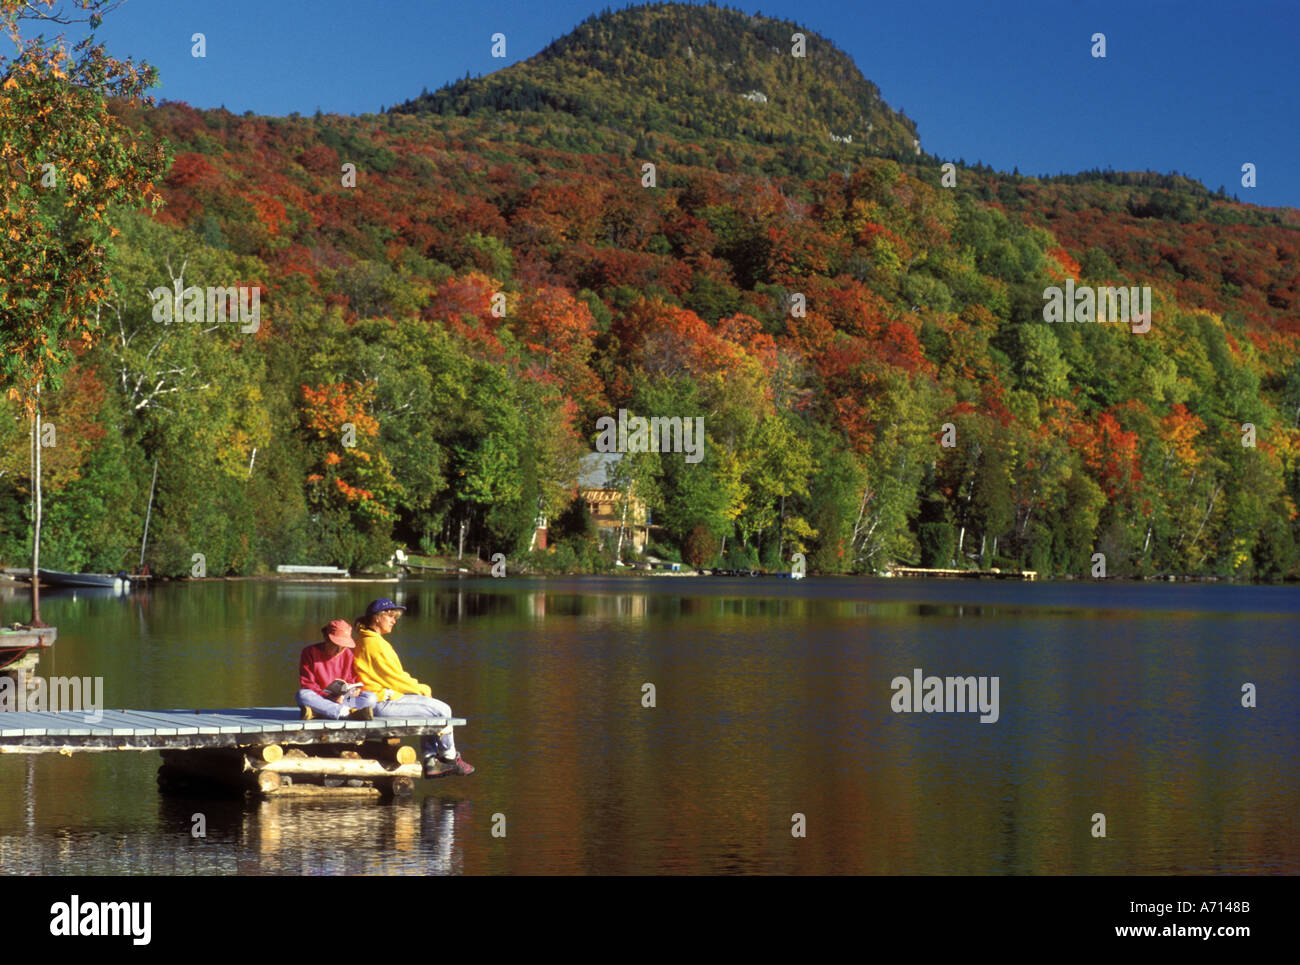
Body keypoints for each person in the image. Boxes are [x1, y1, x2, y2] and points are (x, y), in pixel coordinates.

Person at [352, 598, 474, 778]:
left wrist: (419, 688)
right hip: (380, 702)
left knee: (434, 709)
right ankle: (448, 759)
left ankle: (432, 761)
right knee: (441, 710)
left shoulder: (369, 640)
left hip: (386, 697)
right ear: (377, 618)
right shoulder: (374, 644)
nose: (394, 620)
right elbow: (394, 678)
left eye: (395, 617)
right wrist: (421, 688)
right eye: (391, 616)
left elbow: (394, 676)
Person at [297, 619, 378, 721]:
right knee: (302, 695)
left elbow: (352, 681)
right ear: (326, 638)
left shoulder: (348, 654)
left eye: (343, 647)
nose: (339, 650)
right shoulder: (309, 652)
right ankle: (347, 713)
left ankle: (318, 712)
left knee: (371, 698)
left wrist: (352, 692)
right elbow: (308, 684)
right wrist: (329, 697)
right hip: (321, 698)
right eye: (336, 645)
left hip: (342, 700)